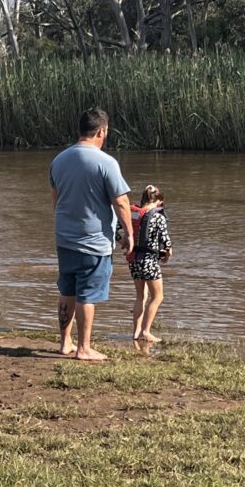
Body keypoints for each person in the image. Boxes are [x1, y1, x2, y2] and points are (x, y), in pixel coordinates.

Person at [50, 106, 133, 362]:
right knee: (87, 294)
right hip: (94, 241)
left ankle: (66, 343)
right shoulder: (106, 162)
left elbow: (56, 200)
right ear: (102, 131)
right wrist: (129, 232)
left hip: (64, 238)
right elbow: (121, 202)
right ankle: (84, 348)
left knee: (67, 289)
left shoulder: (59, 160)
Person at [129, 185, 173, 343]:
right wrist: (167, 254)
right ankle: (146, 332)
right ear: (160, 201)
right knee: (158, 296)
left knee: (140, 296)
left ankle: (136, 332)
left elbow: (117, 228)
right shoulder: (158, 216)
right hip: (149, 261)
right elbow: (165, 242)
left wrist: (123, 242)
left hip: (134, 260)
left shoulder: (134, 213)